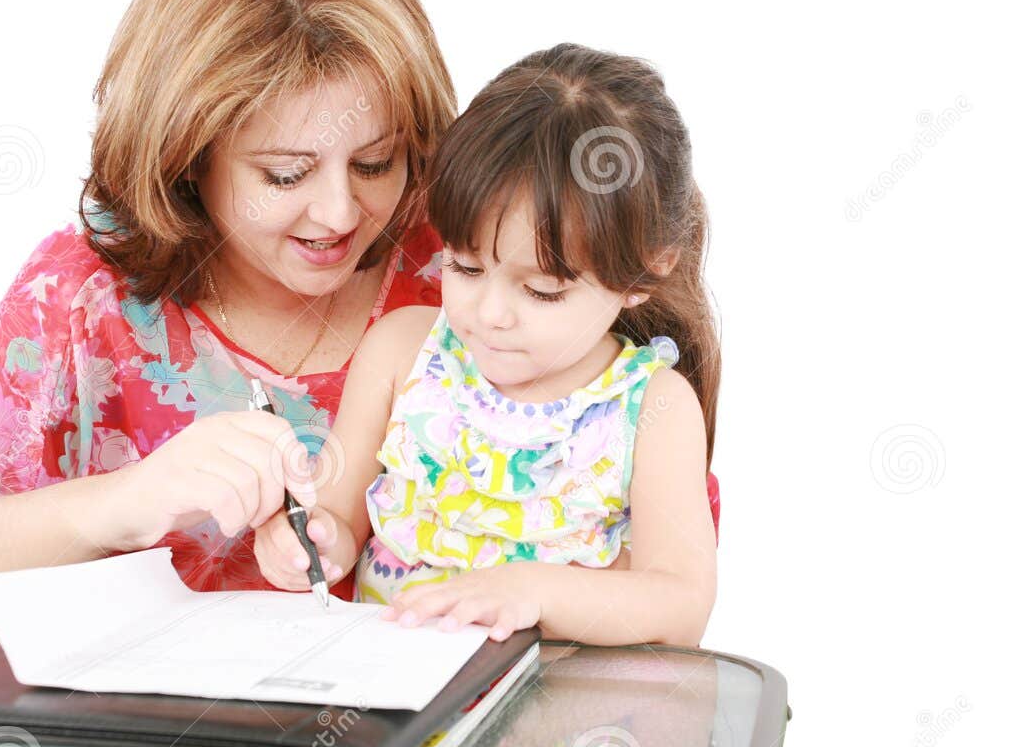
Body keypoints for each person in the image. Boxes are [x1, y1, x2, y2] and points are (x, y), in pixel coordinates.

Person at [0, 0, 456, 622]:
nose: (338, 212)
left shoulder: (467, 273)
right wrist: (120, 504)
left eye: (374, 162)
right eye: (286, 175)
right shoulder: (83, 295)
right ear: (187, 156)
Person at [254, 44, 722, 647]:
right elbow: (338, 520)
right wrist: (309, 541)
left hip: (556, 723)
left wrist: (532, 589)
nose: (490, 315)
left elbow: (681, 602)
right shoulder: (403, 353)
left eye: (542, 291)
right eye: (466, 268)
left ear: (643, 274)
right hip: (393, 706)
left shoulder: (651, 408)